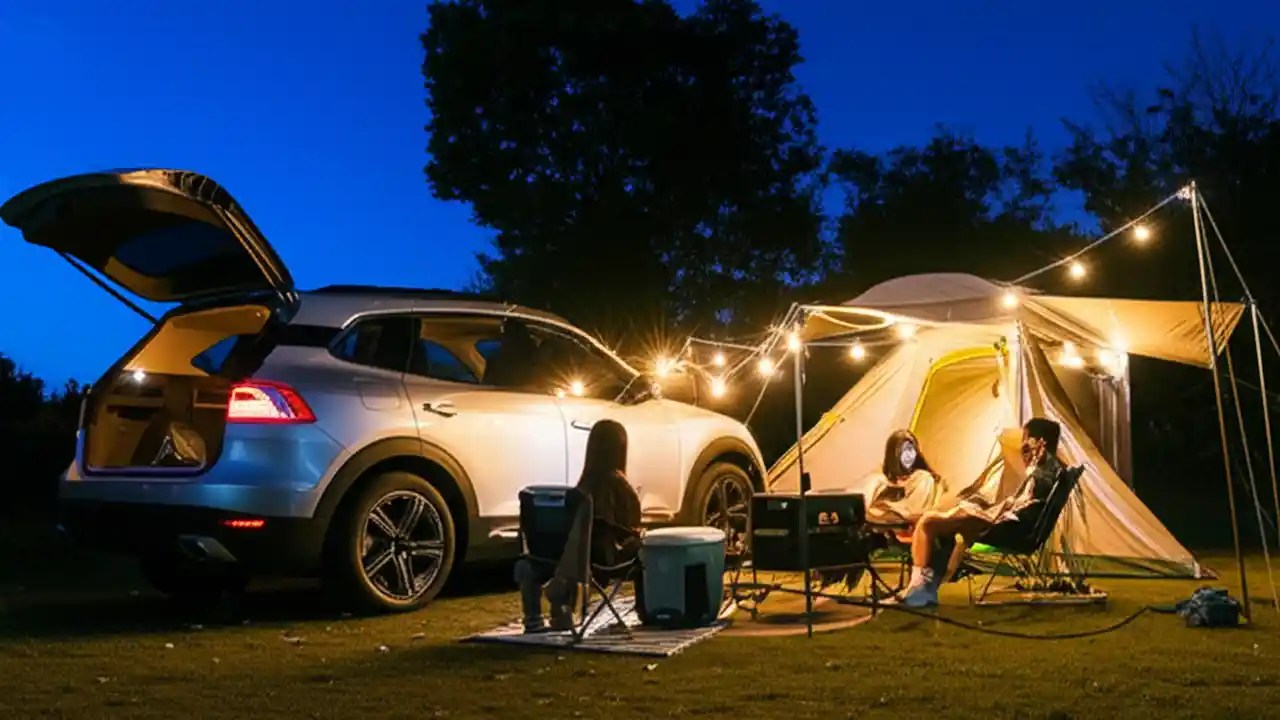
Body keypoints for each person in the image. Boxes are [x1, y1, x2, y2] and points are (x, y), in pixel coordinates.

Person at [897, 417, 1064, 608]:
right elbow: (1023, 506)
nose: (1022, 447)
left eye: (1026, 439)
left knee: (928, 522)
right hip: (1009, 526)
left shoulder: (1041, 476)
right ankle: (925, 588)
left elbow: (1021, 510)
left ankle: (920, 589)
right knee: (941, 524)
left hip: (1005, 528)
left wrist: (990, 515)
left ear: (1039, 442)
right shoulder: (1050, 472)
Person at [514, 419, 643, 633]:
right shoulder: (618, 484)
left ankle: (534, 620)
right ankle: (645, 609)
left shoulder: (579, 489)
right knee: (646, 550)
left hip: (557, 557)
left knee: (526, 565)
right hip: (598, 560)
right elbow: (630, 527)